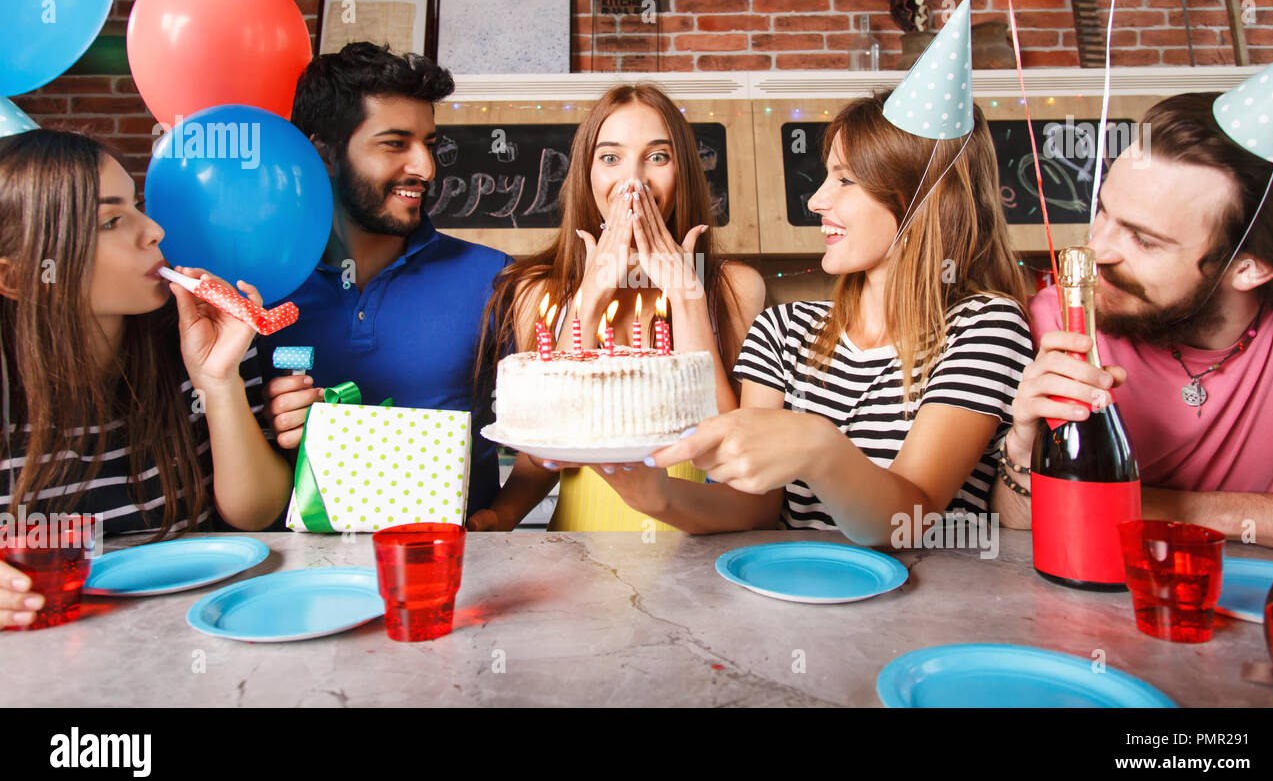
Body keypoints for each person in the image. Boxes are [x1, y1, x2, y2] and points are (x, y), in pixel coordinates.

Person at [597, 90, 1037, 544]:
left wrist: (820, 448)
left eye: (845, 181)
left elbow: (910, 520)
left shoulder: (985, 327)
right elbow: (754, 509)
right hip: (793, 603)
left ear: (922, 197)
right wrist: (656, 497)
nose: (816, 201)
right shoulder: (782, 330)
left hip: (924, 609)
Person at [0, 129, 291, 627]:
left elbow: (258, 514)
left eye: (136, 206)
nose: (153, 230)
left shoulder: (196, 338)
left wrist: (217, 381)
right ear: (19, 277)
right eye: (112, 221)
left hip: (202, 636)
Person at [992, 92, 1273, 549]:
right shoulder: (1056, 323)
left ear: (1247, 267)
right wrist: (1022, 446)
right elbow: (1020, 520)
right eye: (1102, 211)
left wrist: (1167, 508)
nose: (1098, 251)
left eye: (1144, 240)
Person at [468, 83, 766, 532]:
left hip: (698, 552)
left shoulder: (734, 287)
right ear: (586, 174)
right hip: (577, 558)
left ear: (682, 171)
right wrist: (590, 296)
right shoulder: (538, 288)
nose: (634, 181)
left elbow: (730, 451)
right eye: (611, 158)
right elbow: (542, 447)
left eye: (657, 157)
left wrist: (687, 297)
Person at [260, 43, 511, 518]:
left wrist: (502, 518)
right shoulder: (259, 289)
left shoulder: (492, 276)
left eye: (429, 144)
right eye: (396, 144)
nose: (425, 168)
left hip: (457, 575)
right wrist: (266, 426)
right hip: (299, 579)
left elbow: (554, 426)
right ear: (323, 155)